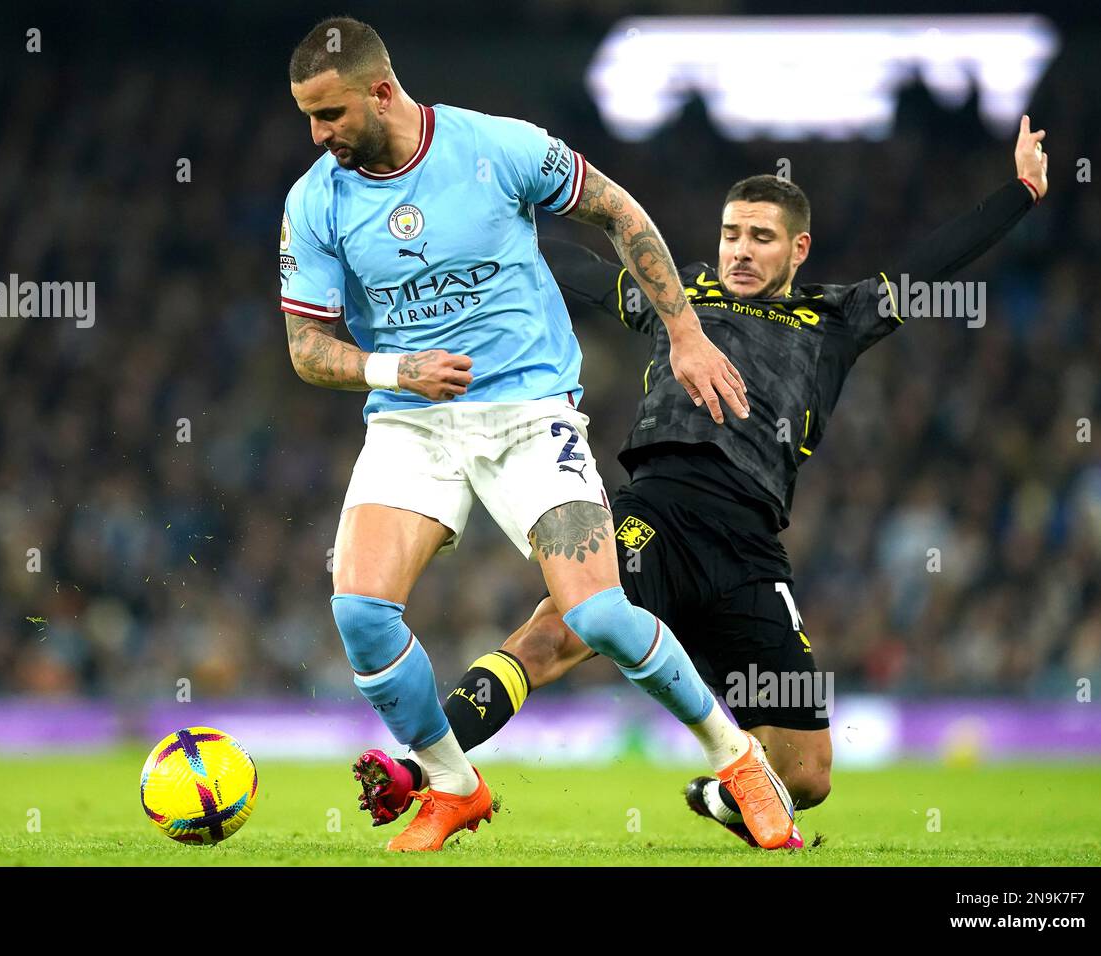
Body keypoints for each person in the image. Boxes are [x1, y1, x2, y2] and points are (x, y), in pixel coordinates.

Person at [356, 115, 1050, 849]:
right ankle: (423, 768)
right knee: (555, 631)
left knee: (808, 774)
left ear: (798, 248)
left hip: (750, 552)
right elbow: (588, 275)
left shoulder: (835, 318)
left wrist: (1021, 193)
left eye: (761, 237)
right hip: (655, 512)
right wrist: (491, 231)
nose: (741, 251)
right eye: (731, 235)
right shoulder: (679, 297)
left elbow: (928, 266)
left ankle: (725, 797)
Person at [281, 16, 798, 852]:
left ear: (382, 90)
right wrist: (392, 371)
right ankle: (453, 786)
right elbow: (305, 346)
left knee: (597, 615)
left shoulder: (498, 149)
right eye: (308, 117)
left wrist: (687, 332)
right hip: (412, 423)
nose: (319, 135)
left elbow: (620, 214)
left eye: (331, 114)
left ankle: (738, 761)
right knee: (361, 614)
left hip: (529, 413)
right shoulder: (315, 200)